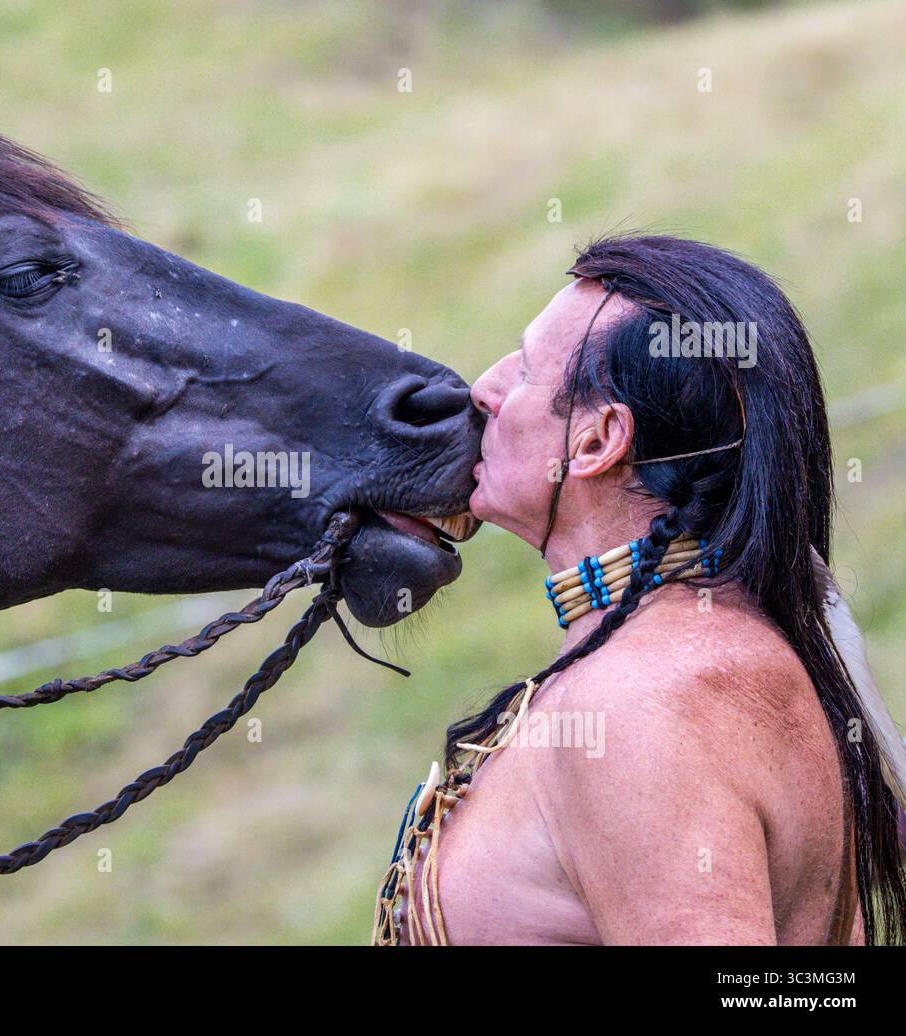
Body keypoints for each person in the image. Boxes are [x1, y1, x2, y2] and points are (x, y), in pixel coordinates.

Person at [373, 234, 906, 945]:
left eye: (525, 370)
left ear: (598, 442)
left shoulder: (644, 706)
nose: (485, 389)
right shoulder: (703, 662)